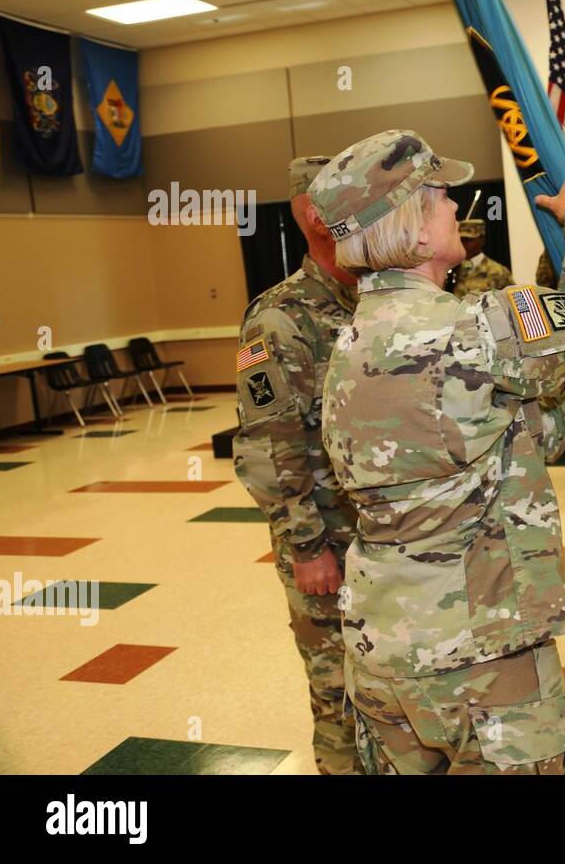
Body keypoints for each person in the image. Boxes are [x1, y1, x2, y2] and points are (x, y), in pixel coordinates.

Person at [313, 129, 565, 774]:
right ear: (411, 227)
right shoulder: (467, 326)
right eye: (438, 195)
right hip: (481, 665)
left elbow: (480, 450)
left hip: (386, 655)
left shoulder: (353, 340)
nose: (454, 209)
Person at [232, 155, 361, 775]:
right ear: (314, 214)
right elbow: (268, 446)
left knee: (392, 693)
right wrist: (307, 546)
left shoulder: (383, 296)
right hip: (327, 541)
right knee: (339, 692)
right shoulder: (279, 316)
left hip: (390, 542)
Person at [447, 217, 513, 295]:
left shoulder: (498, 272)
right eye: (460, 240)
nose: (463, 244)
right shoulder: (450, 270)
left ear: (481, 239)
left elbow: (513, 300)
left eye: (468, 240)